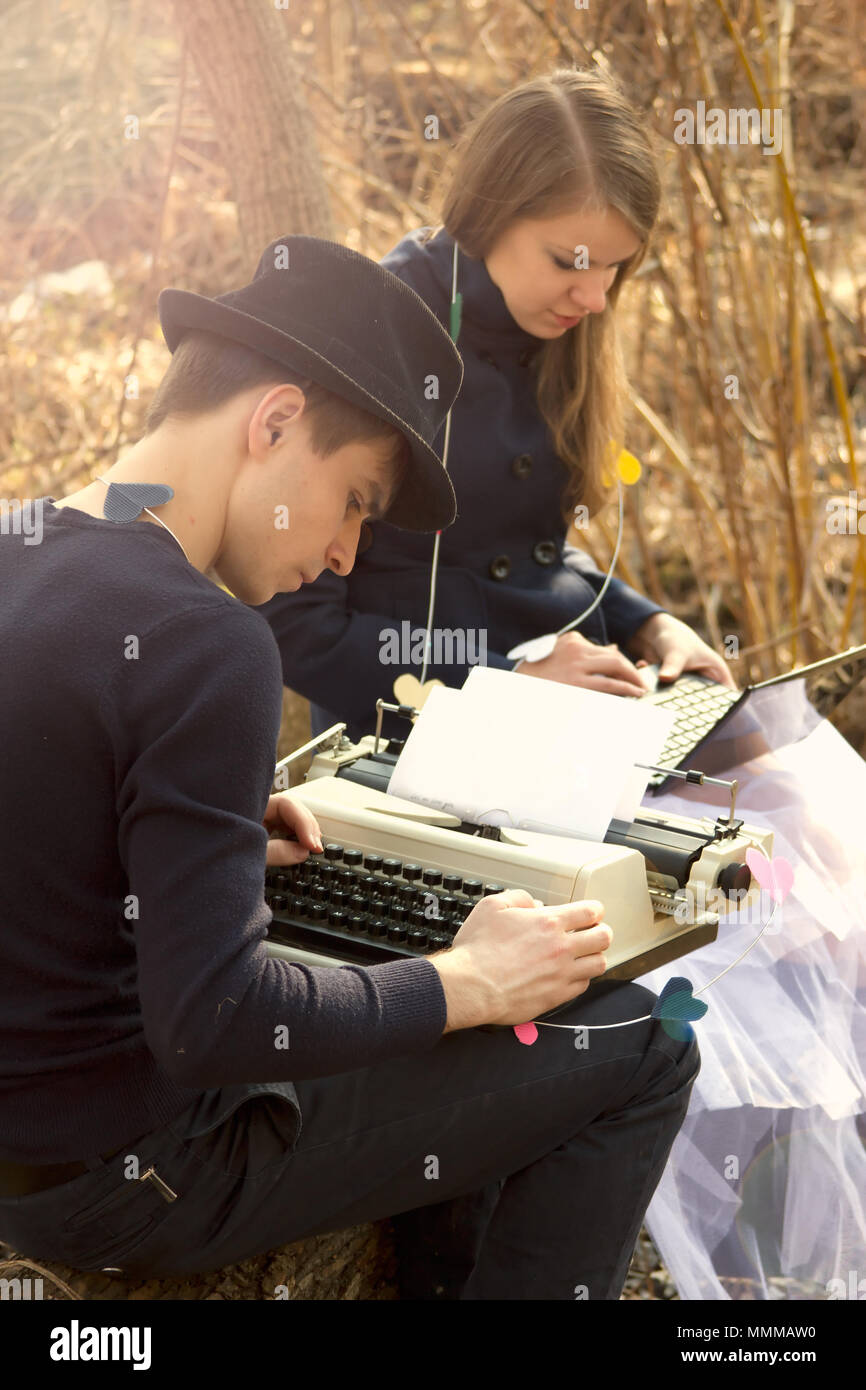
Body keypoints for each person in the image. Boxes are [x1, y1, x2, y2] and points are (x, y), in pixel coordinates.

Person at [255, 68, 866, 1299]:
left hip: (568, 708)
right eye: (568, 260)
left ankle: (797, 1244)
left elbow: (542, 559)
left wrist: (654, 628)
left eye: (615, 272)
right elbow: (302, 621)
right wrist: (514, 671)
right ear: (489, 209)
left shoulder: (561, 339)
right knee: (681, 926)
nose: (591, 296)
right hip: (420, 742)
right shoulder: (383, 333)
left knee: (793, 792)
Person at [0, 233, 700, 1300]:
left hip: (27, 1143)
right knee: (639, 1045)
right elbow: (215, 1022)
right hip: (135, 1173)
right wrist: (464, 982)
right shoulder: (210, 642)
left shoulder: (22, 547)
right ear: (274, 421)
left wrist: (196, 835)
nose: (341, 555)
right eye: (358, 500)